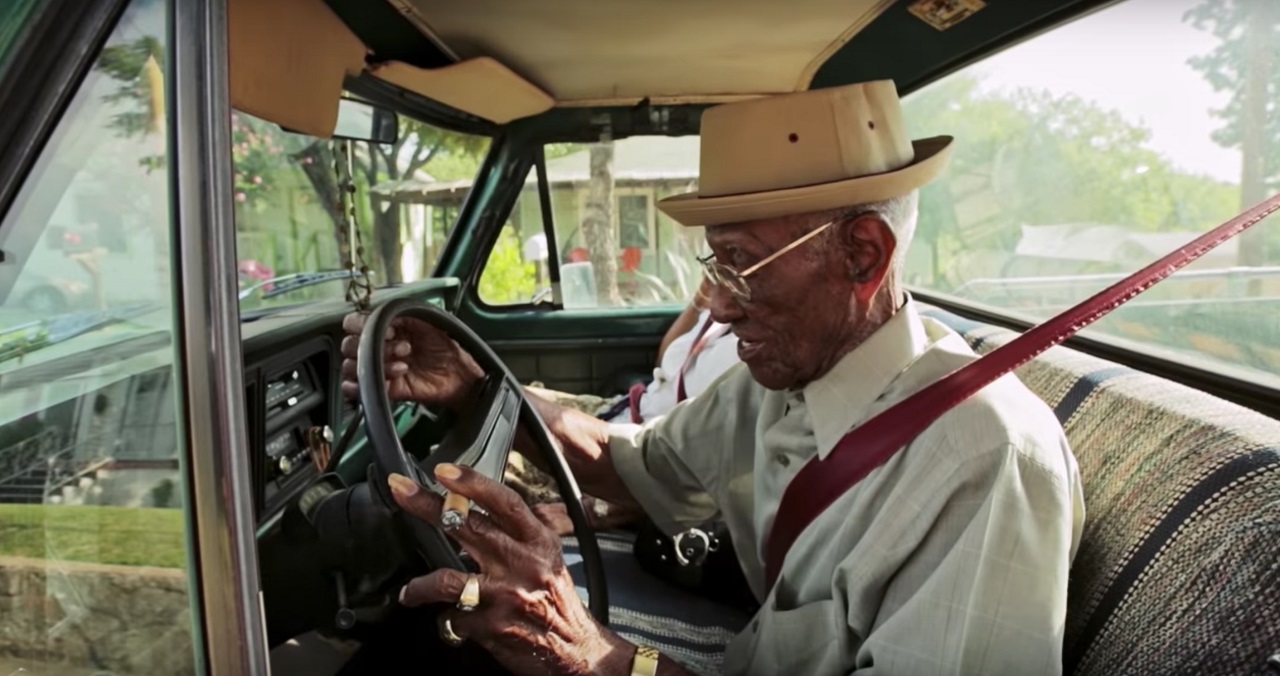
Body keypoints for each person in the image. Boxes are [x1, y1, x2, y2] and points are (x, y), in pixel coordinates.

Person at [340, 80, 1085, 675]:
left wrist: (594, 656)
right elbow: (637, 466)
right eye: (715, 262)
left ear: (862, 255)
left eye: (742, 264)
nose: (719, 308)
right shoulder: (786, 377)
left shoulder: (984, 459)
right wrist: (474, 384)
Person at [505, 274, 739, 534]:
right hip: (620, 409)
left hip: (641, 452)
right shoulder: (722, 310)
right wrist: (701, 297)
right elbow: (667, 360)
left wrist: (594, 512)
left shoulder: (755, 357)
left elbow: (702, 473)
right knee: (498, 400)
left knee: (498, 465)